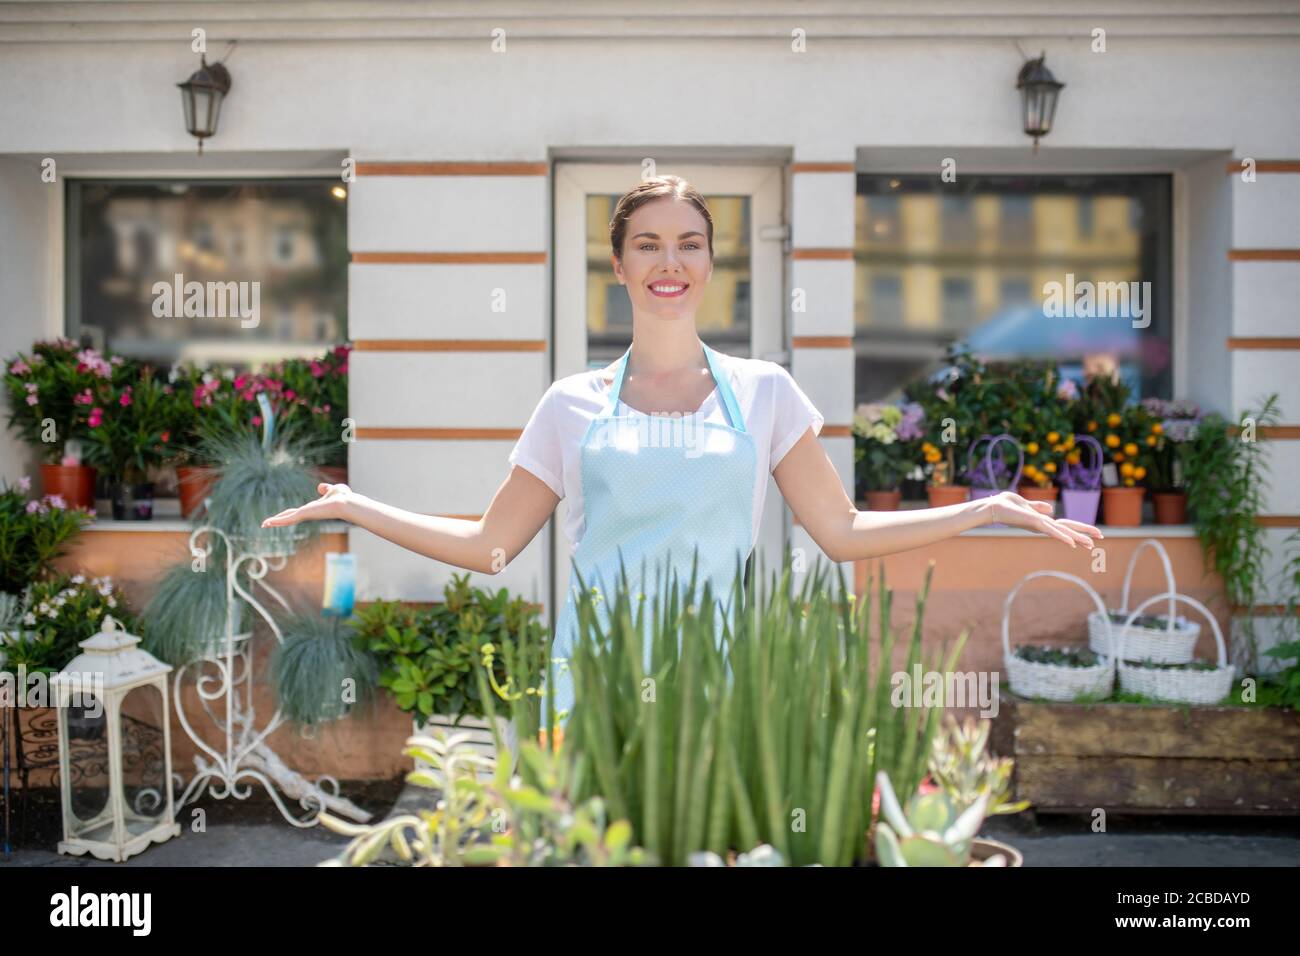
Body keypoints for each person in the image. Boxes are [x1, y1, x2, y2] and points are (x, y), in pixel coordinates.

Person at [261, 175, 1103, 721]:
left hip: (719, 681)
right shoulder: (570, 405)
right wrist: (357, 507)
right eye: (648, 245)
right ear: (619, 269)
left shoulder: (766, 392)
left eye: (690, 243)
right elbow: (489, 547)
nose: (671, 261)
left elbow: (841, 533)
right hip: (590, 682)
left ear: (711, 263)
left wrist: (983, 508)